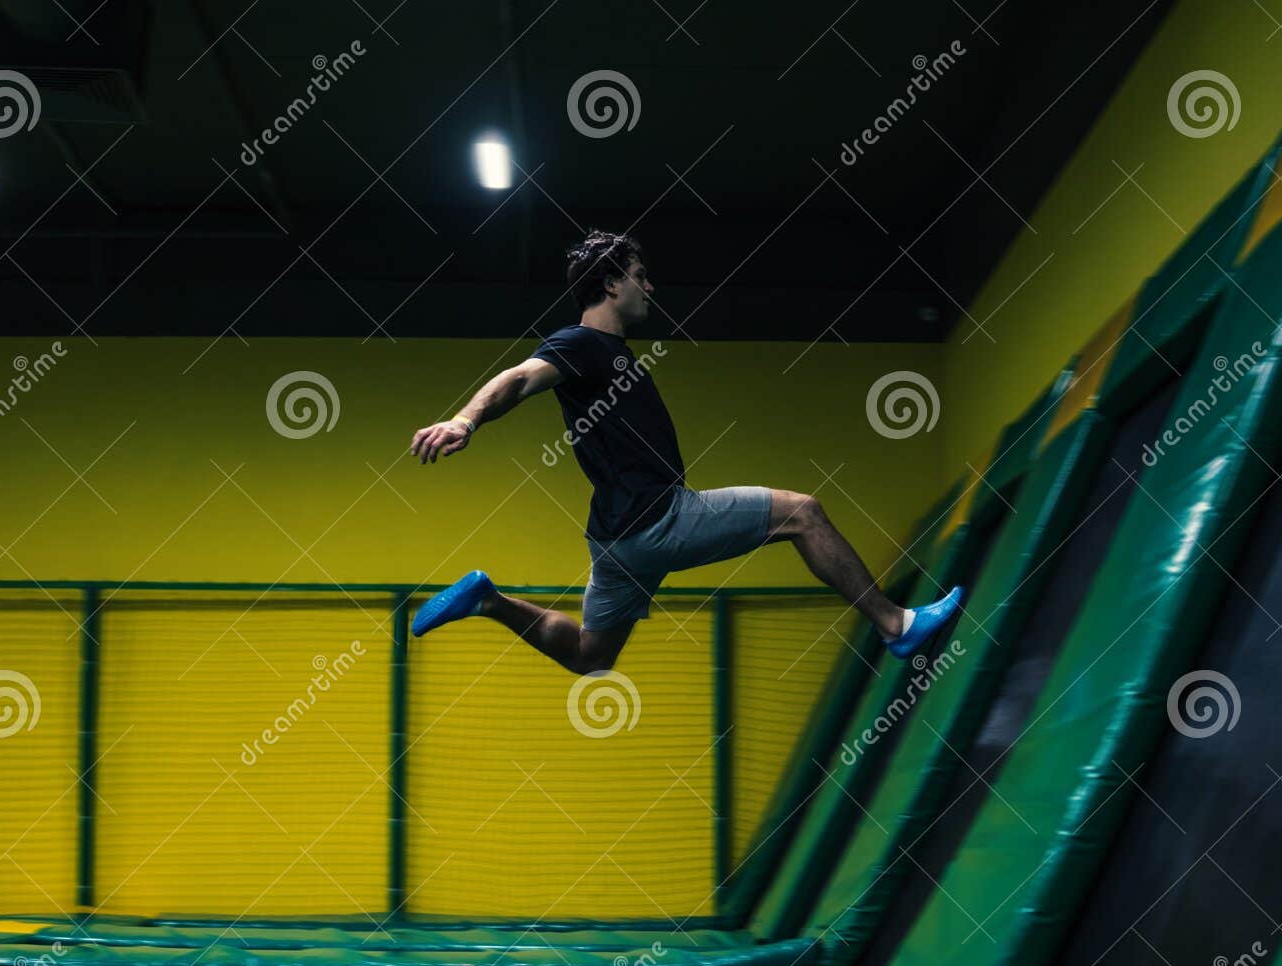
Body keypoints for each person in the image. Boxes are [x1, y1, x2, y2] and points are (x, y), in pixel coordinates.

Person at [406, 229, 963, 674]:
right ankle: (896, 626)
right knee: (803, 513)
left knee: (589, 655)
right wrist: (465, 419)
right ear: (610, 283)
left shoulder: (608, 354)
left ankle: (488, 601)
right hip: (659, 519)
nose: (650, 288)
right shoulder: (581, 344)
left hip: (615, 540)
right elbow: (519, 378)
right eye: (641, 277)